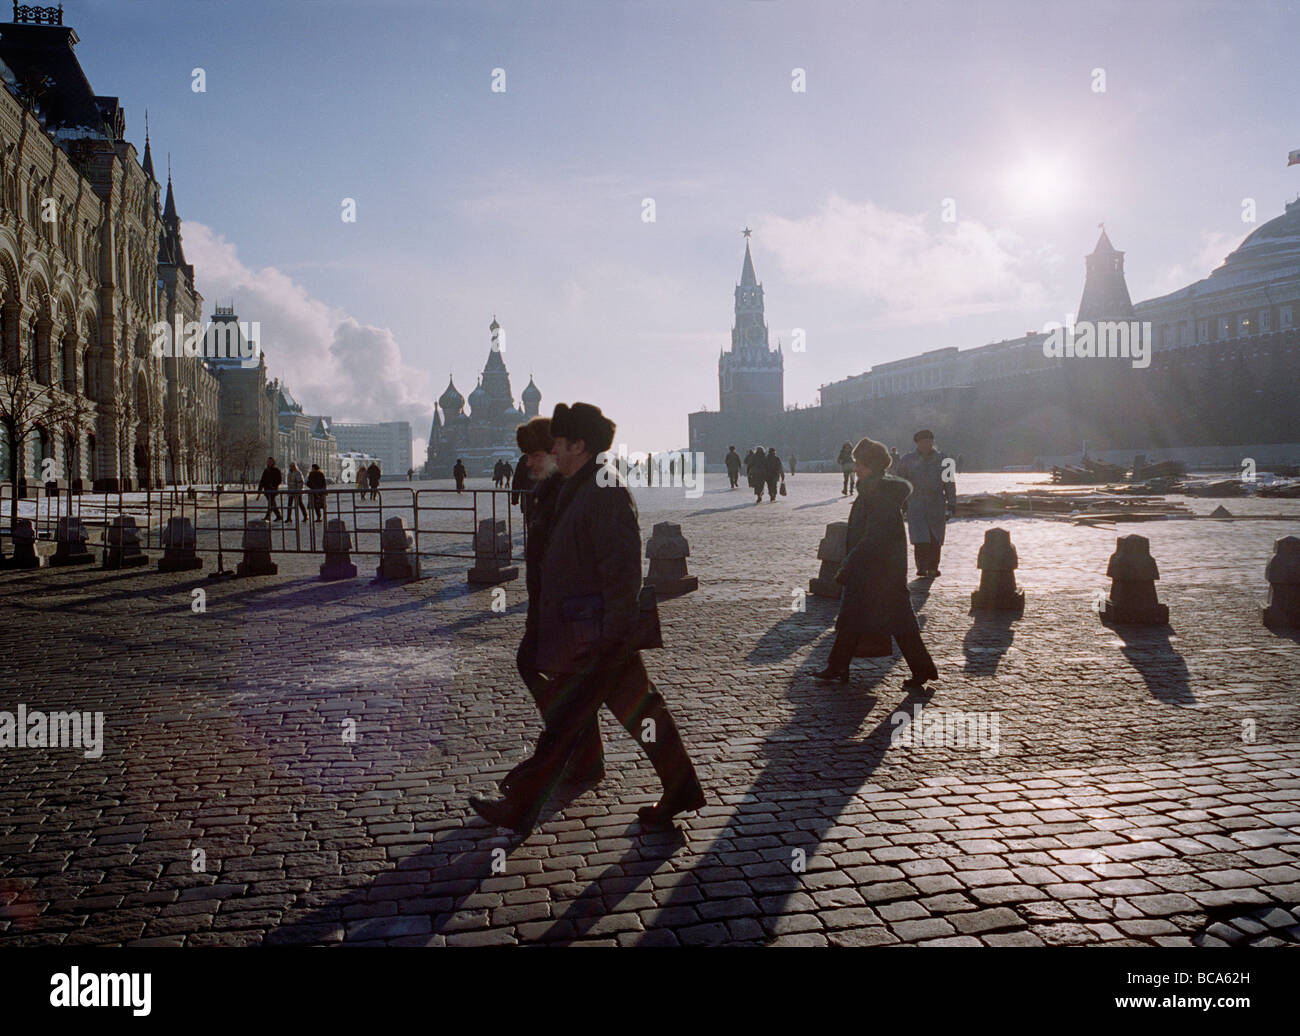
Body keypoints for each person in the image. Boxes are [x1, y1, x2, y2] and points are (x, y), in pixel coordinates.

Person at [469, 401, 705, 833]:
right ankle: (681, 786)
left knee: (563, 725)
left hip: (598, 636)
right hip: (588, 632)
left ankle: (522, 806)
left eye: (558, 443)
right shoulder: (578, 485)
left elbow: (622, 573)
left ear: (579, 445)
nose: (553, 450)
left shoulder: (605, 490)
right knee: (643, 714)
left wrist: (613, 637)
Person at [501, 415, 604, 798]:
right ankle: (582, 755)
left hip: (573, 614)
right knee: (577, 688)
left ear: (556, 450)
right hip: (563, 612)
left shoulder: (567, 490)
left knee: (566, 683)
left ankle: (565, 759)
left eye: (534, 454)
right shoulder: (548, 489)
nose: (527, 462)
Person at [813, 437, 938, 690]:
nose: (856, 468)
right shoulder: (872, 489)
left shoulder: (879, 494)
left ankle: (922, 669)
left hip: (880, 570)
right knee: (851, 619)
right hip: (873, 568)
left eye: (860, 463)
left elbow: (874, 536)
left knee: (901, 623)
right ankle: (838, 665)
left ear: (871, 466)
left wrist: (849, 564)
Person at [894, 429, 956, 578]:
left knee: (936, 538)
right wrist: (900, 502)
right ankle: (921, 567)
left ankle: (934, 567)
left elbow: (950, 483)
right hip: (915, 503)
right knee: (919, 538)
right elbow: (900, 482)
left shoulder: (945, 460)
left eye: (929, 441)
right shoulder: (907, 460)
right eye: (923, 442)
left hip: (936, 504)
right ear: (917, 443)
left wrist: (951, 503)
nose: (926, 444)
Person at [259, 457, 283, 521]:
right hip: (267, 490)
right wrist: (260, 489)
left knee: (271, 503)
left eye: (270, 461)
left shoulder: (276, 470)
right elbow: (262, 480)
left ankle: (267, 516)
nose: (269, 463)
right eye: (268, 461)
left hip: (273, 490)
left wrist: (273, 485)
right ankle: (278, 516)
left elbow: (279, 480)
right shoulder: (266, 470)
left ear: (273, 462)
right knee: (273, 503)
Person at [511, 452, 533, 517]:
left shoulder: (524, 460)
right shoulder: (546, 458)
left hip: (527, 498)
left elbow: (517, 481)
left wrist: (515, 498)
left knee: (529, 521)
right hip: (544, 500)